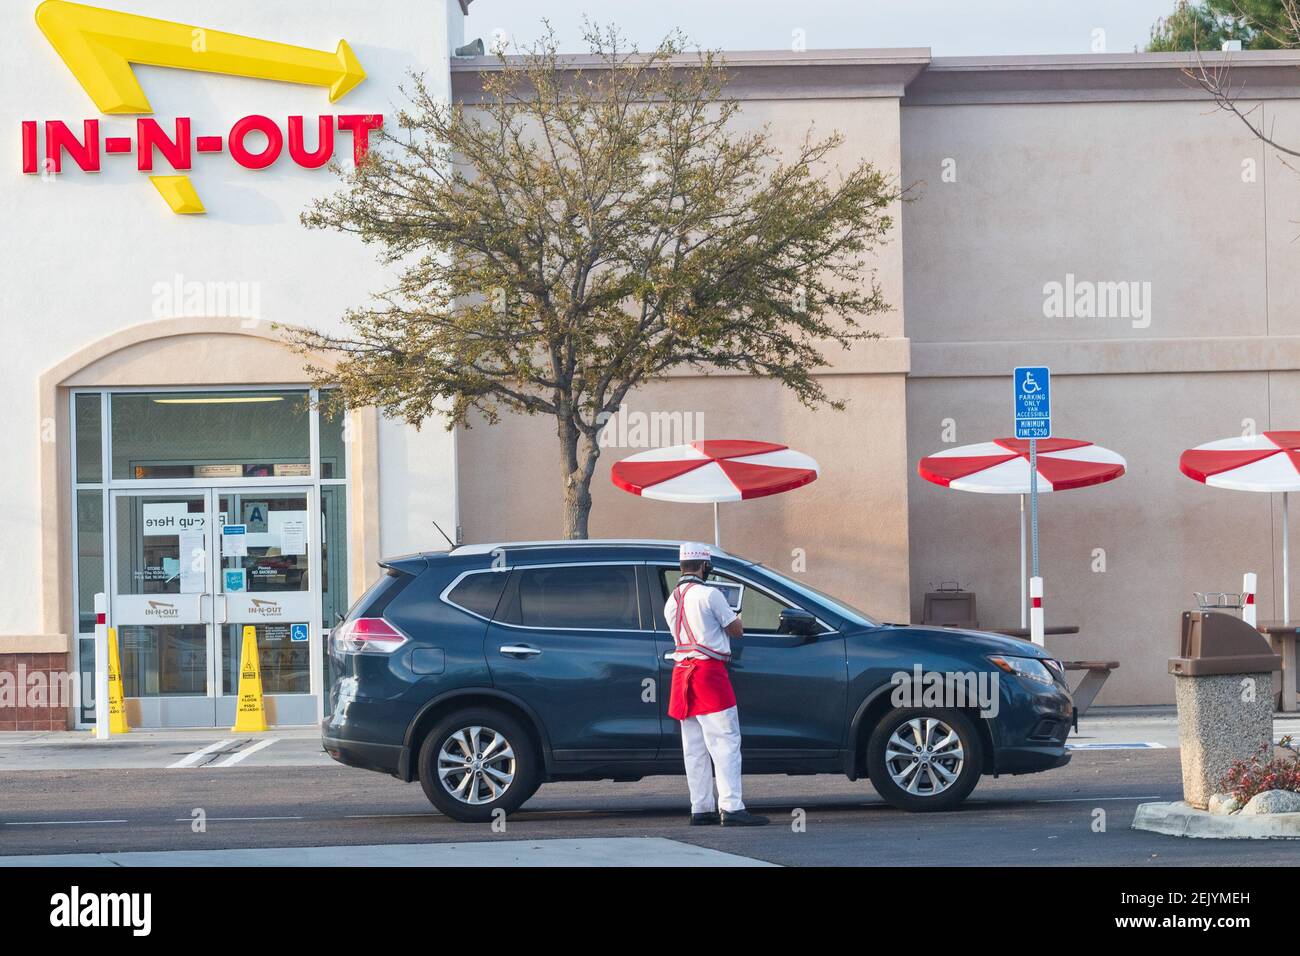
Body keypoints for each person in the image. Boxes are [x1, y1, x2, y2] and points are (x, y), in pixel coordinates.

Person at [664, 543, 768, 827]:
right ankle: (732, 807)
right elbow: (736, 630)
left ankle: (701, 808)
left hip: (682, 673)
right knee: (725, 742)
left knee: (694, 747)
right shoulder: (711, 594)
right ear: (704, 567)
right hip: (709, 674)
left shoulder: (672, 600)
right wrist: (736, 614)